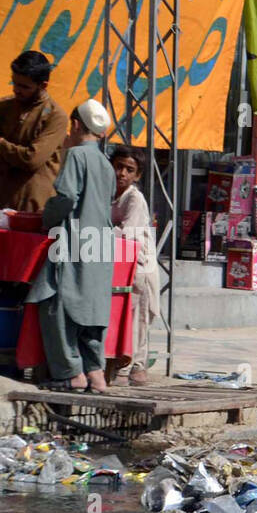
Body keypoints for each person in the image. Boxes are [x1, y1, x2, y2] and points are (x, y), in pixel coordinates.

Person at [28, 100, 116, 393]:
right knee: (91, 311)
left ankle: (71, 373)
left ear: (76, 125)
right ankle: (96, 374)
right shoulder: (106, 164)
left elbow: (66, 198)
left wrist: (46, 219)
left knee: (57, 305)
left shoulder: (76, 155)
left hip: (75, 242)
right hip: (101, 243)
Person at [107, 146, 156, 387]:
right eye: (118, 167)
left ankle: (133, 367)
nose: (122, 173)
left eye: (129, 170)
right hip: (119, 265)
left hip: (139, 266)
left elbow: (126, 235)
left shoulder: (135, 199)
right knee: (124, 316)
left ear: (137, 175)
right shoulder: (110, 195)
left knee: (138, 318)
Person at [0, 51, 67, 212]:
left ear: (43, 86)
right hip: (2, 201)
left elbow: (33, 159)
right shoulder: (3, 107)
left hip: (35, 206)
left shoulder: (56, 116)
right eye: (14, 83)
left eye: (24, 87)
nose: (16, 90)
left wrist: (1, 145)